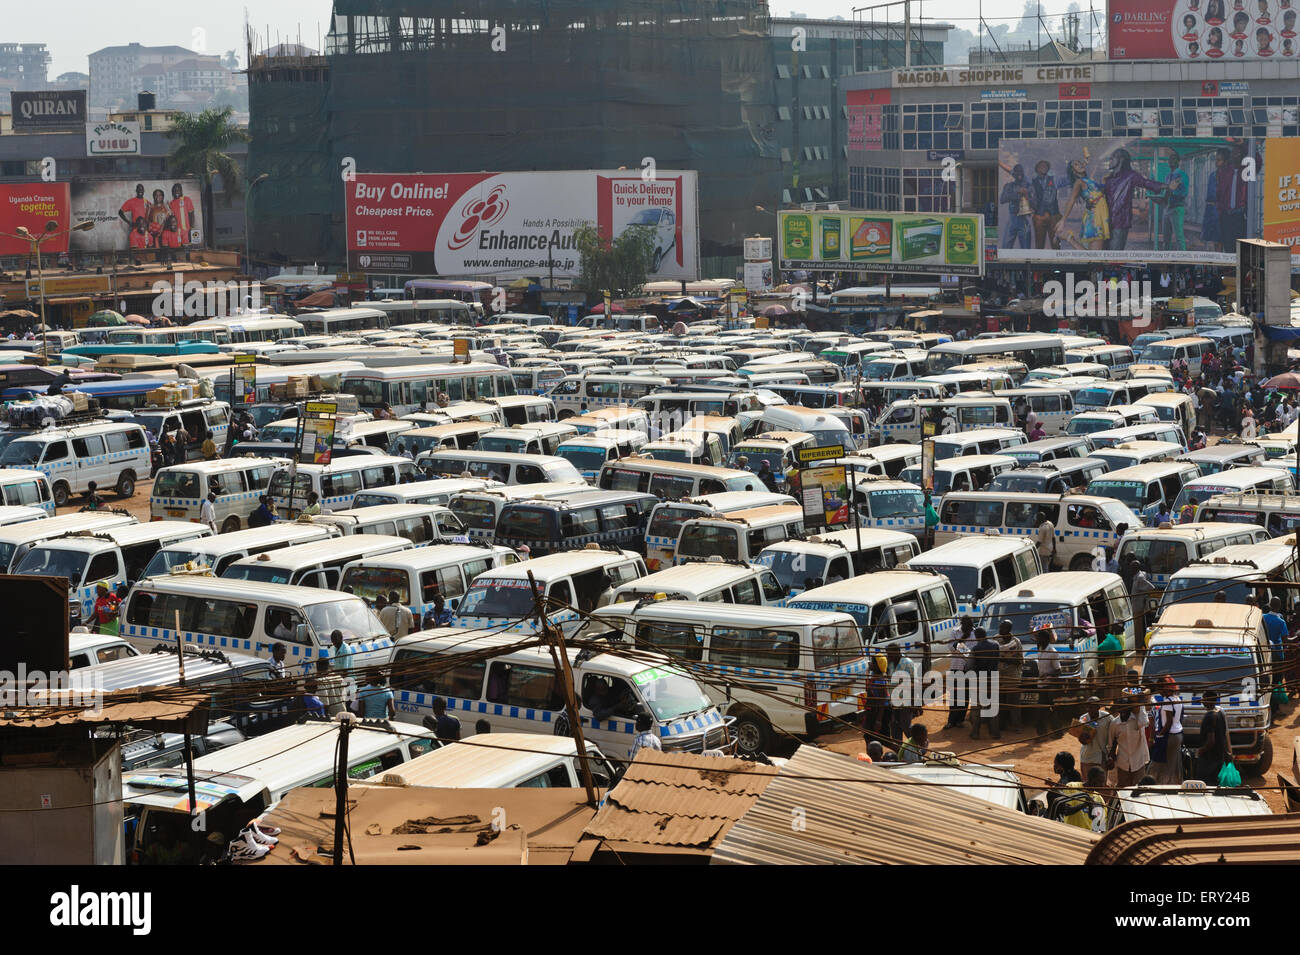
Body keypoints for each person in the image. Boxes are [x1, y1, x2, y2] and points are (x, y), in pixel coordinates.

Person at [1107, 693, 1151, 789]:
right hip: (1123, 763)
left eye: (1125, 708)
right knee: (1123, 790)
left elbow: (1145, 722)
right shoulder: (1114, 724)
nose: (1123, 711)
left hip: (1138, 761)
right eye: (1120, 708)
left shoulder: (1138, 720)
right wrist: (1111, 757)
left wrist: (1141, 703)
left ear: (1130, 708)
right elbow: (1111, 743)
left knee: (1138, 789)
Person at [1150, 674, 1184, 784]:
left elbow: (1168, 722)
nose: (1159, 691)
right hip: (1178, 735)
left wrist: (1159, 734)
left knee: (1160, 763)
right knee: (1172, 764)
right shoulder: (1178, 699)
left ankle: (1160, 784)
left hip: (1169, 736)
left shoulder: (1167, 702)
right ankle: (1172, 783)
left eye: (1160, 688)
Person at [970, 626, 1001, 739]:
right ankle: (995, 733)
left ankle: (975, 733)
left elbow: (970, 665)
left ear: (976, 636)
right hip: (993, 678)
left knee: (976, 708)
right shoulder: (995, 645)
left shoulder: (975, 648)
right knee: (992, 707)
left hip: (980, 679)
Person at [1195, 689, 1232, 784]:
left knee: (1205, 783)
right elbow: (1224, 735)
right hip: (1219, 756)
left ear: (1209, 700)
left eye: (1204, 699)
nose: (1202, 701)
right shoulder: (1220, 713)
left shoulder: (1209, 716)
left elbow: (1211, 741)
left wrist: (1199, 751)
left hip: (1209, 758)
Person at [995, 620, 1023, 732]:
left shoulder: (1016, 642)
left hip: (1012, 676)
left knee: (1014, 702)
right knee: (1000, 701)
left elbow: (1019, 661)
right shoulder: (995, 639)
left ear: (1009, 629)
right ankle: (1002, 725)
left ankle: (1017, 726)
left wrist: (1005, 659)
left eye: (1003, 628)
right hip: (999, 675)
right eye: (1000, 627)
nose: (1000, 630)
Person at [1033, 626, 1061, 735]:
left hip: (1050, 685)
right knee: (1041, 710)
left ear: (1045, 640)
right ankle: (1042, 733)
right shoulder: (1040, 648)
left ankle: (1057, 732)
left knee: (1050, 710)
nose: (1037, 641)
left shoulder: (1052, 652)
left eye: (1039, 639)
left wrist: (1048, 674)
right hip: (1041, 684)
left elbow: (1058, 671)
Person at [946, 617, 974, 727]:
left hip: (967, 668)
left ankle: (960, 720)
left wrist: (959, 645)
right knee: (954, 695)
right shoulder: (954, 632)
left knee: (965, 695)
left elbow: (971, 653)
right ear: (962, 625)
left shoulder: (974, 633)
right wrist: (963, 639)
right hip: (956, 667)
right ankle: (951, 721)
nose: (969, 628)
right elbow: (950, 646)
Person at [999, 163, 1032, 249]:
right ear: (1014, 174)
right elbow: (1002, 199)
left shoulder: (1029, 185)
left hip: (1024, 218)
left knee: (1026, 249)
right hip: (1013, 218)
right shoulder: (1009, 186)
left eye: (1021, 173)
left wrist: (1026, 194)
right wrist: (1016, 193)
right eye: (1017, 173)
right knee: (1006, 247)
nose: (1019, 175)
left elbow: (1035, 201)